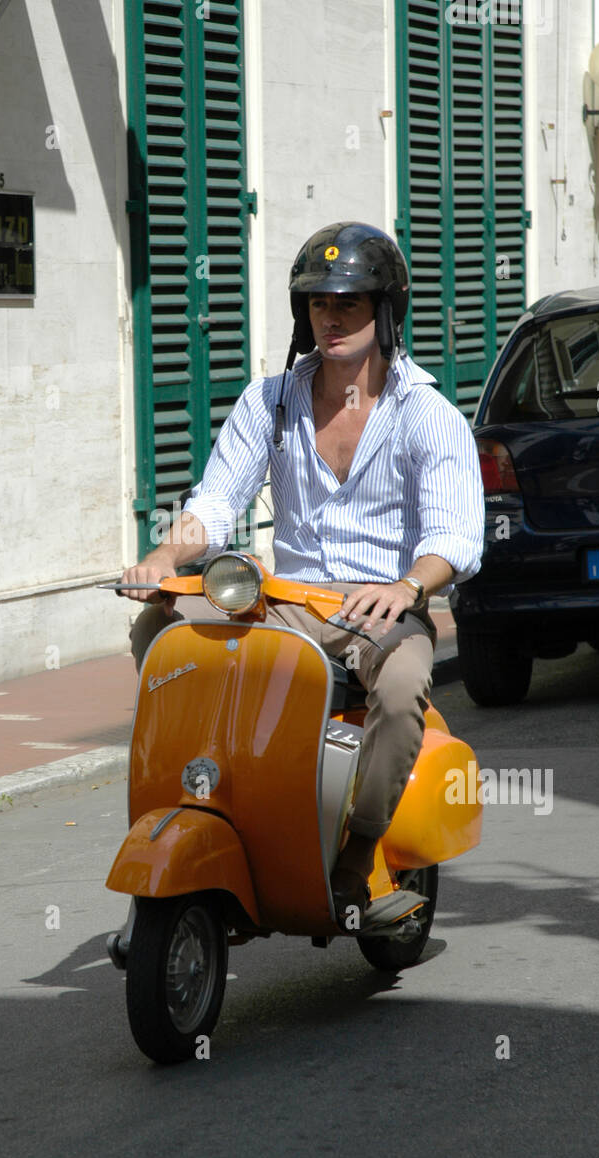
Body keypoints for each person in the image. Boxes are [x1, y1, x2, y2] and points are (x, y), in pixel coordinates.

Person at [120, 222, 484, 931]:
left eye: (349, 302)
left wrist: (408, 587)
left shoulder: (428, 416)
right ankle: (199, 801)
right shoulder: (272, 401)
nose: (332, 317)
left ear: (386, 310)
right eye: (318, 304)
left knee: (407, 682)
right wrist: (163, 560)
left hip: (380, 609)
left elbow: (454, 538)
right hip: (286, 602)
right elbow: (217, 500)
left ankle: (361, 850)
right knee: (160, 629)